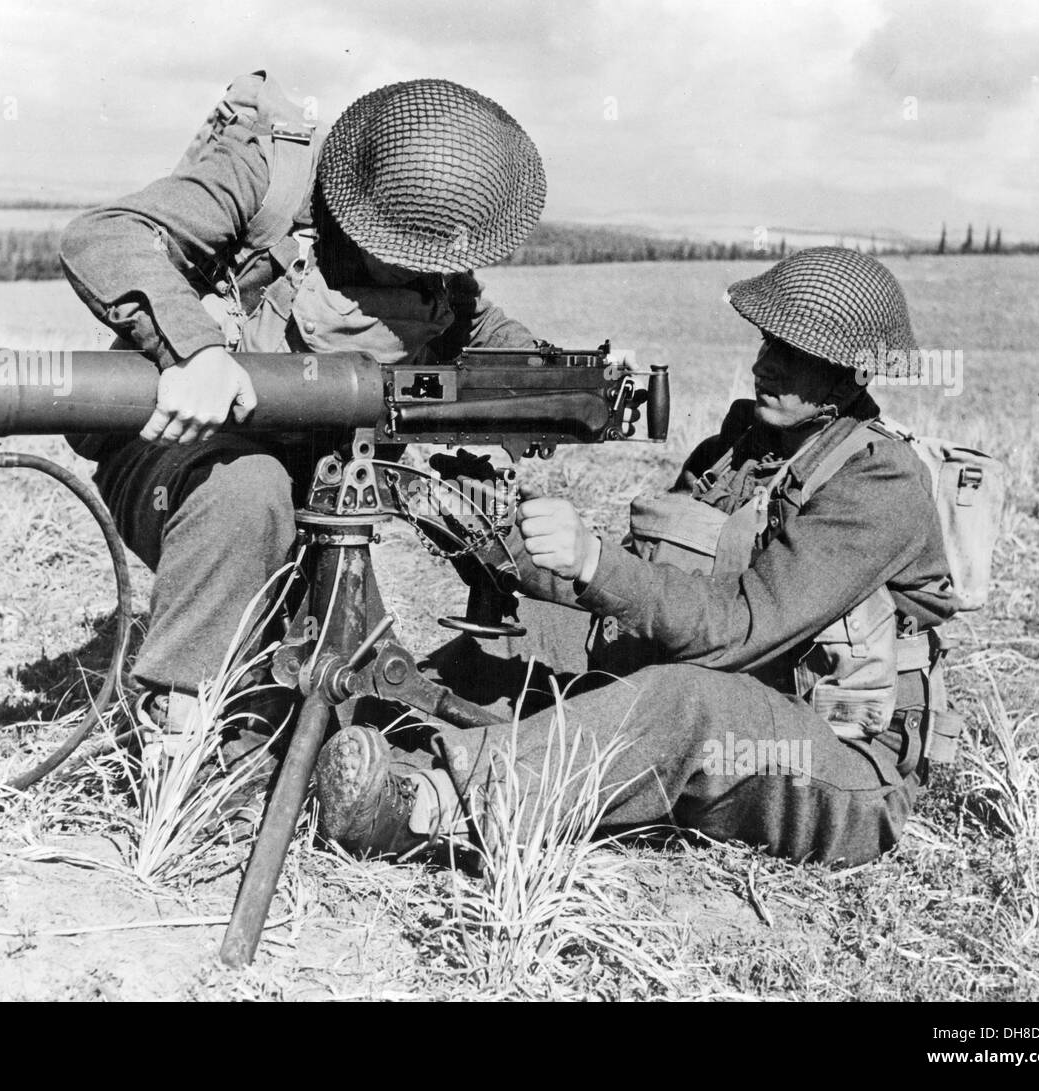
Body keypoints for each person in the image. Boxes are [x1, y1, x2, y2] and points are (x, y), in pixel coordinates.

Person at [315, 246, 960, 867]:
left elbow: (738, 631)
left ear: (853, 376)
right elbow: (640, 595)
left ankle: (429, 808)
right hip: (727, 686)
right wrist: (503, 532)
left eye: (795, 358)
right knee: (518, 642)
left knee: (687, 706)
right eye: (767, 344)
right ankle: (347, 739)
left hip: (834, 758)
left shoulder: (880, 485)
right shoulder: (736, 450)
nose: (767, 366)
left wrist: (594, 559)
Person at [57, 75, 546, 750]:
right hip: (181, 449)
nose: (422, 272)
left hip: (318, 481)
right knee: (248, 491)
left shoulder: (425, 247)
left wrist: (547, 381)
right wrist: (196, 352)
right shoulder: (265, 177)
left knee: (310, 705)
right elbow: (104, 236)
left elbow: (476, 325)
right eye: (407, 255)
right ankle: (176, 734)